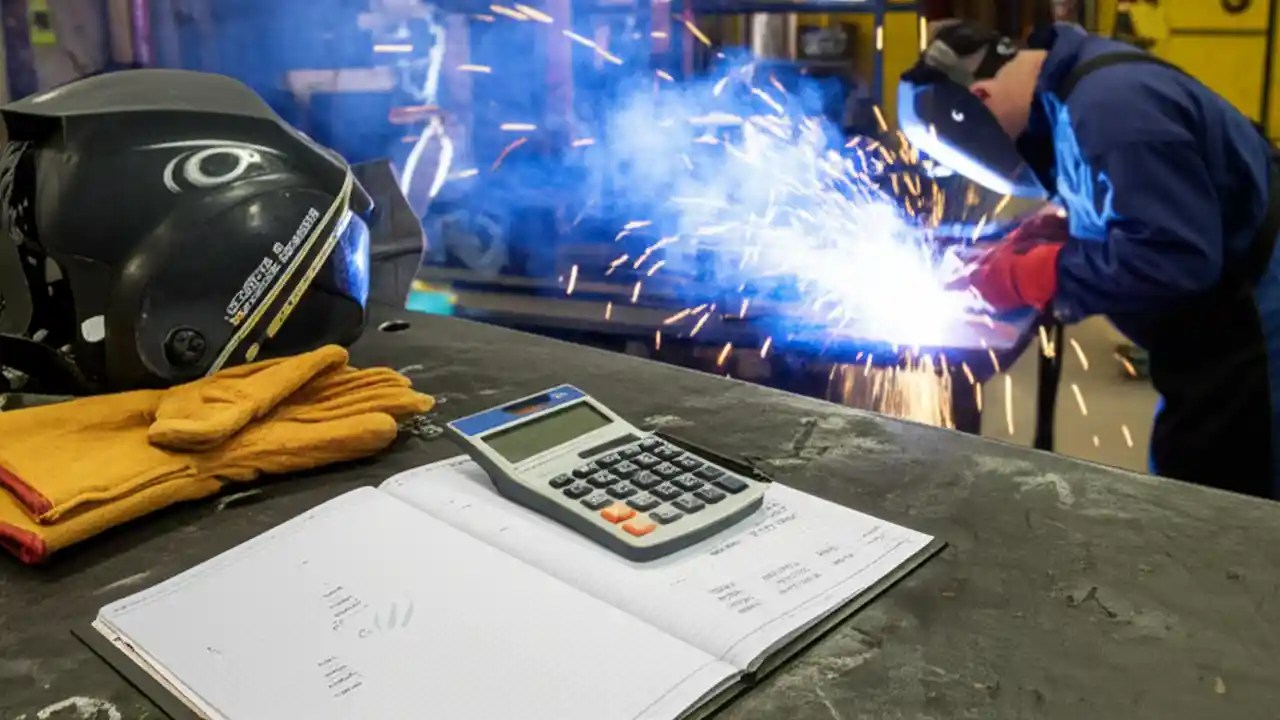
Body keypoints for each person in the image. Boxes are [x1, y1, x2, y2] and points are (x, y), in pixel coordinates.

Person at [898, 20, 1280, 500]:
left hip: (1258, 333)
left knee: (1221, 508)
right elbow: (1139, 203)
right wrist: (1062, 229)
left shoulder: (1111, 109)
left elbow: (1174, 258)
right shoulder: (1076, 90)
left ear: (981, 98)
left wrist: (1028, 274)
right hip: (1224, 328)